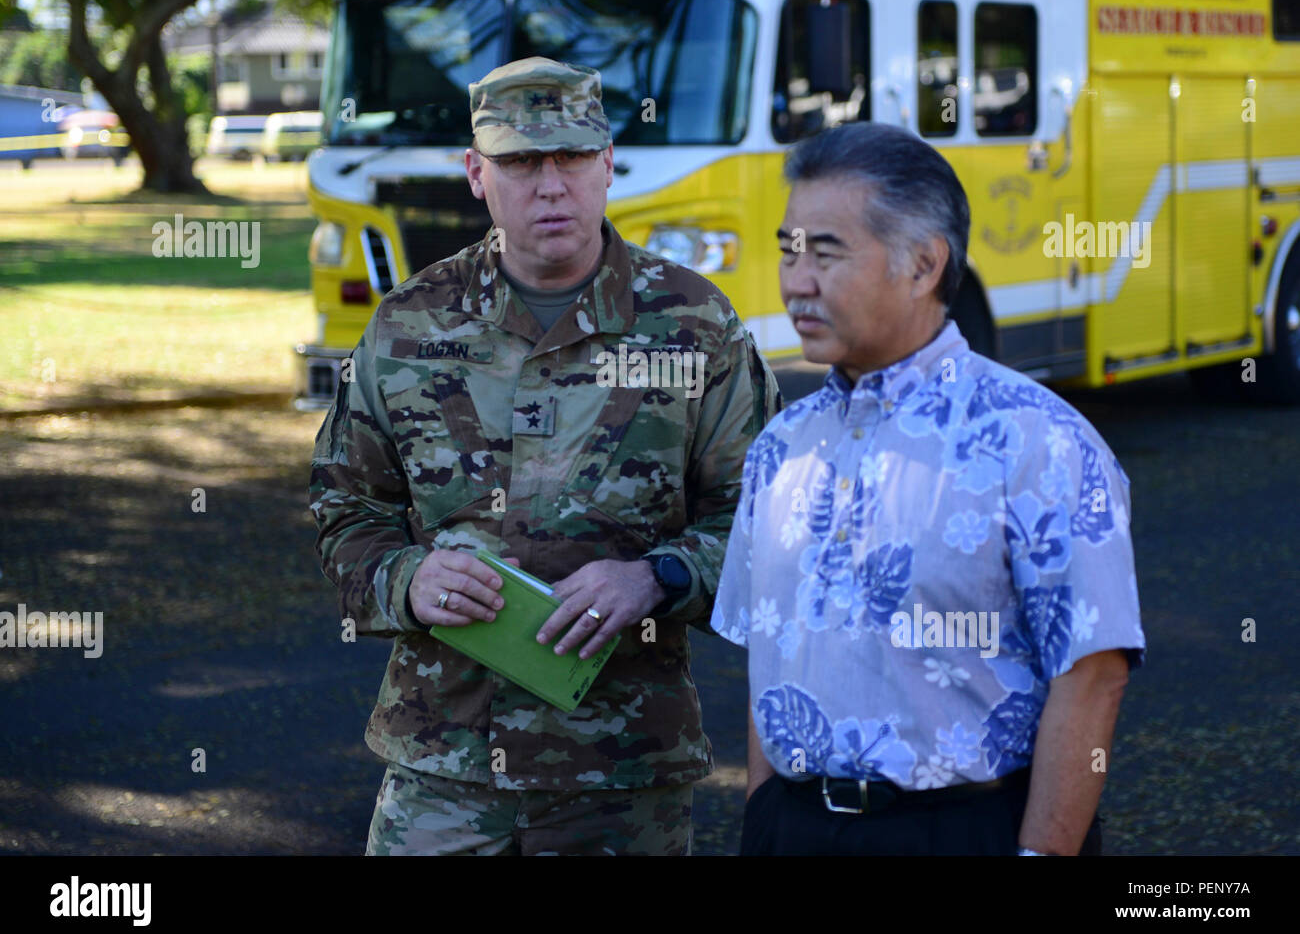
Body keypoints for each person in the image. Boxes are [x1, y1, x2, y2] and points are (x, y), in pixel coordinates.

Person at [309, 57, 780, 855]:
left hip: (622, 775)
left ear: (607, 166)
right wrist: (406, 579)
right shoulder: (408, 325)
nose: (551, 185)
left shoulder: (695, 324)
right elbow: (345, 508)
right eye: (522, 162)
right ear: (476, 173)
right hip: (443, 768)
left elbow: (769, 521)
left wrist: (657, 576)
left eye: (570, 158)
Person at [712, 122, 1145, 856]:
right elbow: (771, 658)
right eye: (789, 249)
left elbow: (1093, 673)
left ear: (922, 264)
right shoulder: (779, 447)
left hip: (963, 829)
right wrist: (764, 817)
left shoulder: (1039, 440)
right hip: (793, 828)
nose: (795, 281)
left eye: (826, 252)